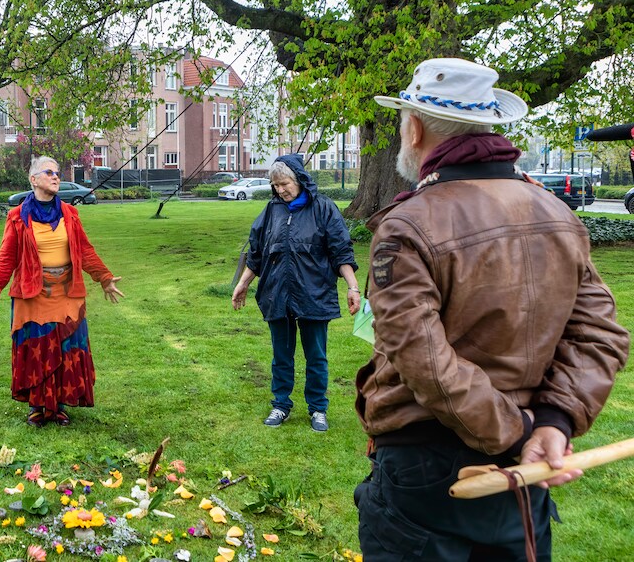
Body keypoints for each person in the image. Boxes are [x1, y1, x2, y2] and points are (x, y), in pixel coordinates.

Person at [355, 58, 629, 559]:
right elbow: (601, 335)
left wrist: (531, 429)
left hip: (431, 466)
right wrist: (550, 423)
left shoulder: (408, 224)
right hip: (522, 458)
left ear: (413, 128)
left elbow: (425, 362)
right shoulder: (556, 211)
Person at [0, 156, 124, 427]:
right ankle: (38, 406)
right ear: (34, 179)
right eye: (49, 172)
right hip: (32, 295)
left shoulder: (70, 213)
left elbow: (84, 249)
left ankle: (57, 406)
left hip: (66, 293)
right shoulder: (17, 217)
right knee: (38, 349)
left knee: (65, 349)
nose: (56, 177)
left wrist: (103, 277)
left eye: (57, 173)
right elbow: (6, 256)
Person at [231, 154, 360, 432]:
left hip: (313, 294)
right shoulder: (271, 211)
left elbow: (341, 252)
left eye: (284, 183)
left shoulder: (323, 209)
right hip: (277, 294)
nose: (280, 190)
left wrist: (352, 287)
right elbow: (256, 254)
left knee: (316, 355)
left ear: (299, 179)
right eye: (275, 185)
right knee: (281, 354)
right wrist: (243, 283)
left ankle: (318, 409)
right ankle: (280, 404)